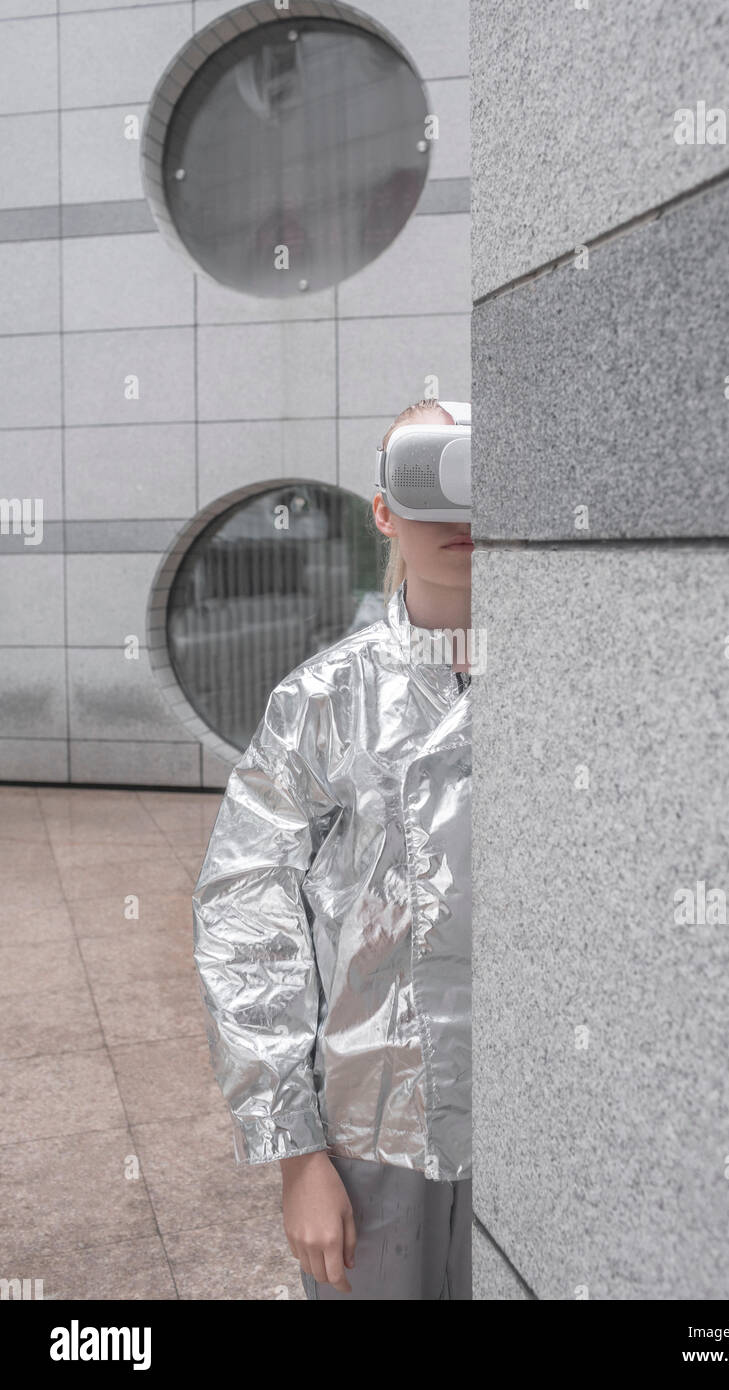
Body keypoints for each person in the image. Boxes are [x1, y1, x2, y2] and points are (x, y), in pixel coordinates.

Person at [191, 399, 472, 1300]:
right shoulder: (321, 701)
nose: (458, 516)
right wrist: (295, 1155)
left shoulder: (594, 691)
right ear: (384, 510)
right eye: (429, 480)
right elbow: (246, 913)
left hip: (553, 1111)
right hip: (371, 1124)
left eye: (482, 480)